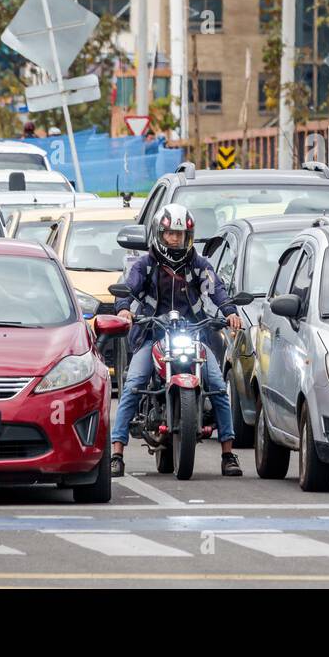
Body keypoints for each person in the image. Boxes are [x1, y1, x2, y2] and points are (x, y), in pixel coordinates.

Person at [109, 203, 245, 479]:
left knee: (218, 386)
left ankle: (228, 453)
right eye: (170, 234)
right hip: (152, 335)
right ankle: (116, 453)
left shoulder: (198, 265)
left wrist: (230, 311)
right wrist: (124, 307)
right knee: (134, 384)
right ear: (160, 234)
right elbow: (127, 288)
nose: (175, 239)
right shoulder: (145, 265)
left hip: (192, 336)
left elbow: (215, 288)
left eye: (180, 235)